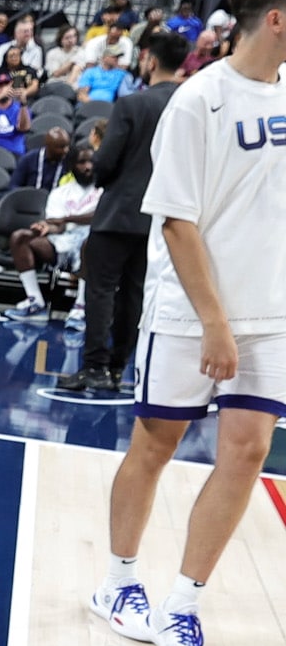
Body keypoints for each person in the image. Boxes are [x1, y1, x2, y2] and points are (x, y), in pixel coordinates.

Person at [92, 0, 286, 646]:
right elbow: (176, 219)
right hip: (190, 312)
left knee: (245, 452)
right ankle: (116, 579)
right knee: (156, 445)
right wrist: (214, 323)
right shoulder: (197, 102)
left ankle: (183, 603)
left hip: (273, 314)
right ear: (277, 19)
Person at [57, 30, 189, 396]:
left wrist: (98, 164)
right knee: (134, 293)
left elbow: (106, 163)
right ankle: (118, 369)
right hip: (162, 218)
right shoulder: (189, 104)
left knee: (100, 290)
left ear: (149, 60)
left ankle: (95, 367)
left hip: (118, 212)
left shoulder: (133, 104)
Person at [2, 145, 101, 321]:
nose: (88, 167)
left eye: (91, 162)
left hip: (94, 243)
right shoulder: (60, 193)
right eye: (82, 162)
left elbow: (99, 216)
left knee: (90, 244)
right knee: (20, 238)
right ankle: (36, 302)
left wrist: (66, 218)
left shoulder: (104, 189)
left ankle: (80, 307)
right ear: (71, 165)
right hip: (64, 241)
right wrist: (47, 228)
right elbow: (57, 226)